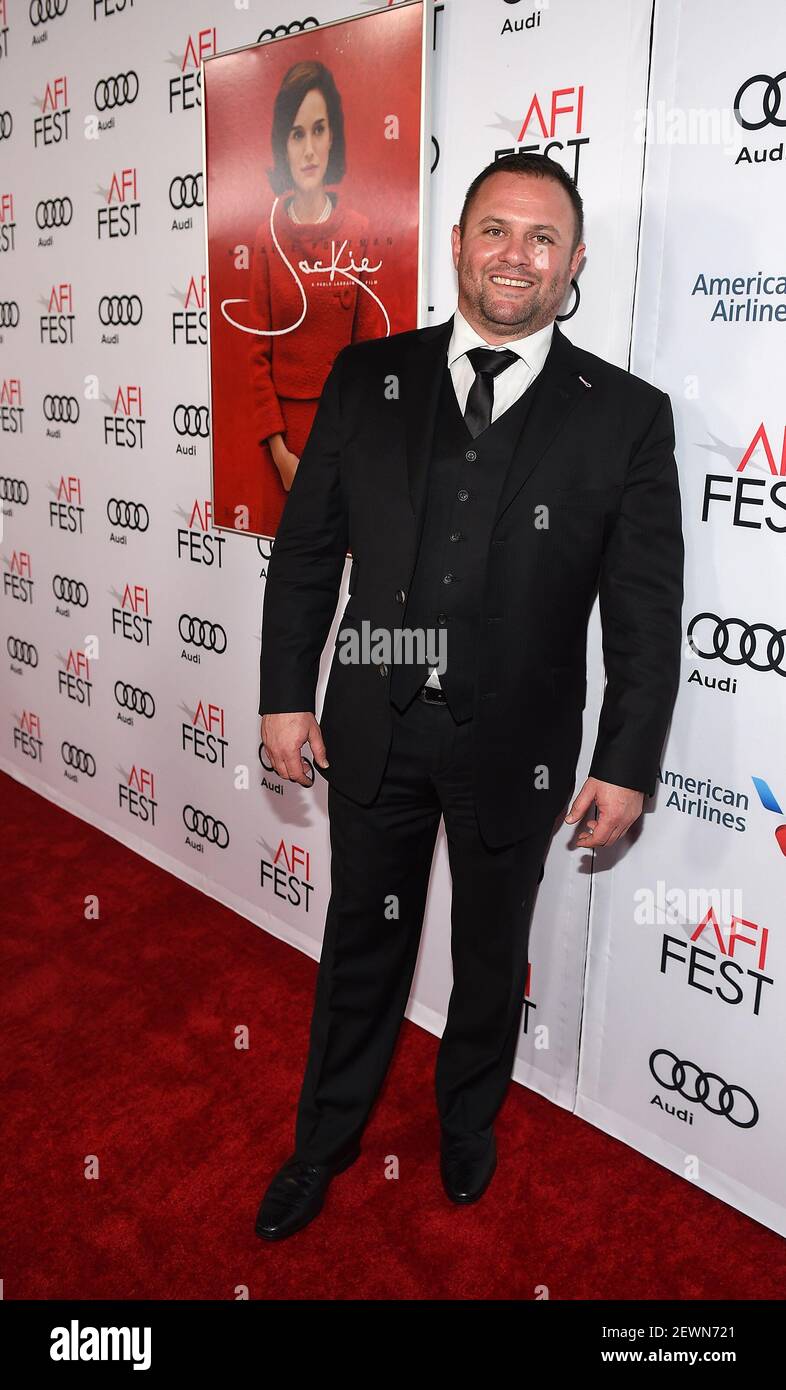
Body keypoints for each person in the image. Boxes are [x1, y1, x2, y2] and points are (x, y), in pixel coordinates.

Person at [254, 151, 684, 1241]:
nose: (515, 256)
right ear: (455, 243)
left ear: (575, 264)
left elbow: (642, 609)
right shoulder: (367, 378)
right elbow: (307, 557)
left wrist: (628, 760)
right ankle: (324, 1137)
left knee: (491, 952)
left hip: (519, 740)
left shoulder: (626, 415)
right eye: (495, 230)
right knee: (364, 938)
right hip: (374, 722)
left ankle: (466, 1123)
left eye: (543, 239)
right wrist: (281, 695)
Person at [247, 59, 383, 535]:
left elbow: (370, 354)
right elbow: (255, 354)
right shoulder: (266, 235)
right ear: (283, 146)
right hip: (280, 455)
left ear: (332, 137)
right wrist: (281, 454)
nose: (308, 149)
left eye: (318, 130)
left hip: (345, 446)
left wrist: (350, 452)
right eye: (296, 133)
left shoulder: (362, 233)